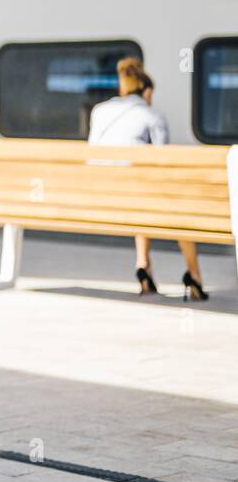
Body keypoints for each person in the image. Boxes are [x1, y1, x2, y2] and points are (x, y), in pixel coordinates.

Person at [88, 57, 207, 301]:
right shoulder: (152, 114)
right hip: (135, 197)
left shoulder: (99, 111)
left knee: (141, 198)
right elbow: (162, 160)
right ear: (147, 90)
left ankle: (143, 264)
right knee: (180, 209)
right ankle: (194, 274)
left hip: (98, 195)